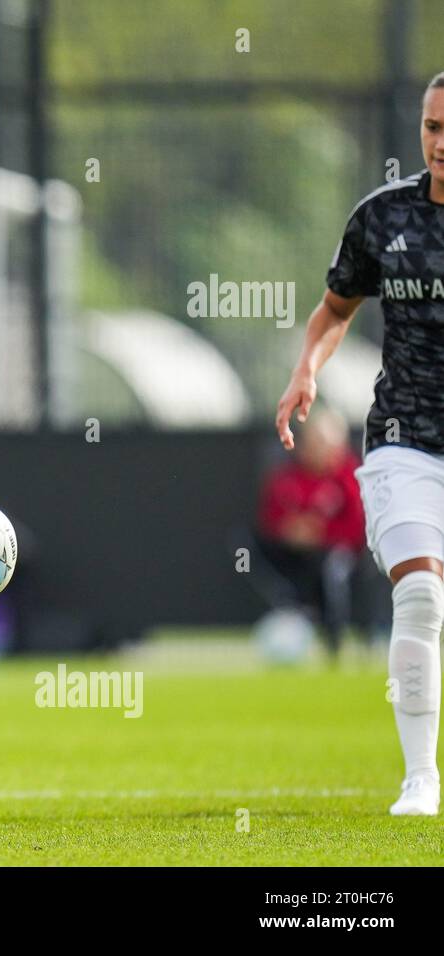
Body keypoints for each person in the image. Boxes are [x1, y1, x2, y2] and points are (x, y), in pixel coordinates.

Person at [276, 71, 444, 816]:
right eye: (433, 128)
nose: (441, 144)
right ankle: (420, 777)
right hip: (406, 439)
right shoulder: (384, 217)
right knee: (419, 593)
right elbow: (334, 309)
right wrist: (306, 370)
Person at [256, 407, 364, 657]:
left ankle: (334, 640)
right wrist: (289, 530)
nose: (317, 450)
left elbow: (359, 526)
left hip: (338, 554)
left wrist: (322, 533)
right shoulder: (287, 476)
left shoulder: (351, 477)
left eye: (324, 444)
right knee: (248, 546)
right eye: (313, 442)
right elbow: (270, 518)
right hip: (294, 555)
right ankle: (290, 607)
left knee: (332, 569)